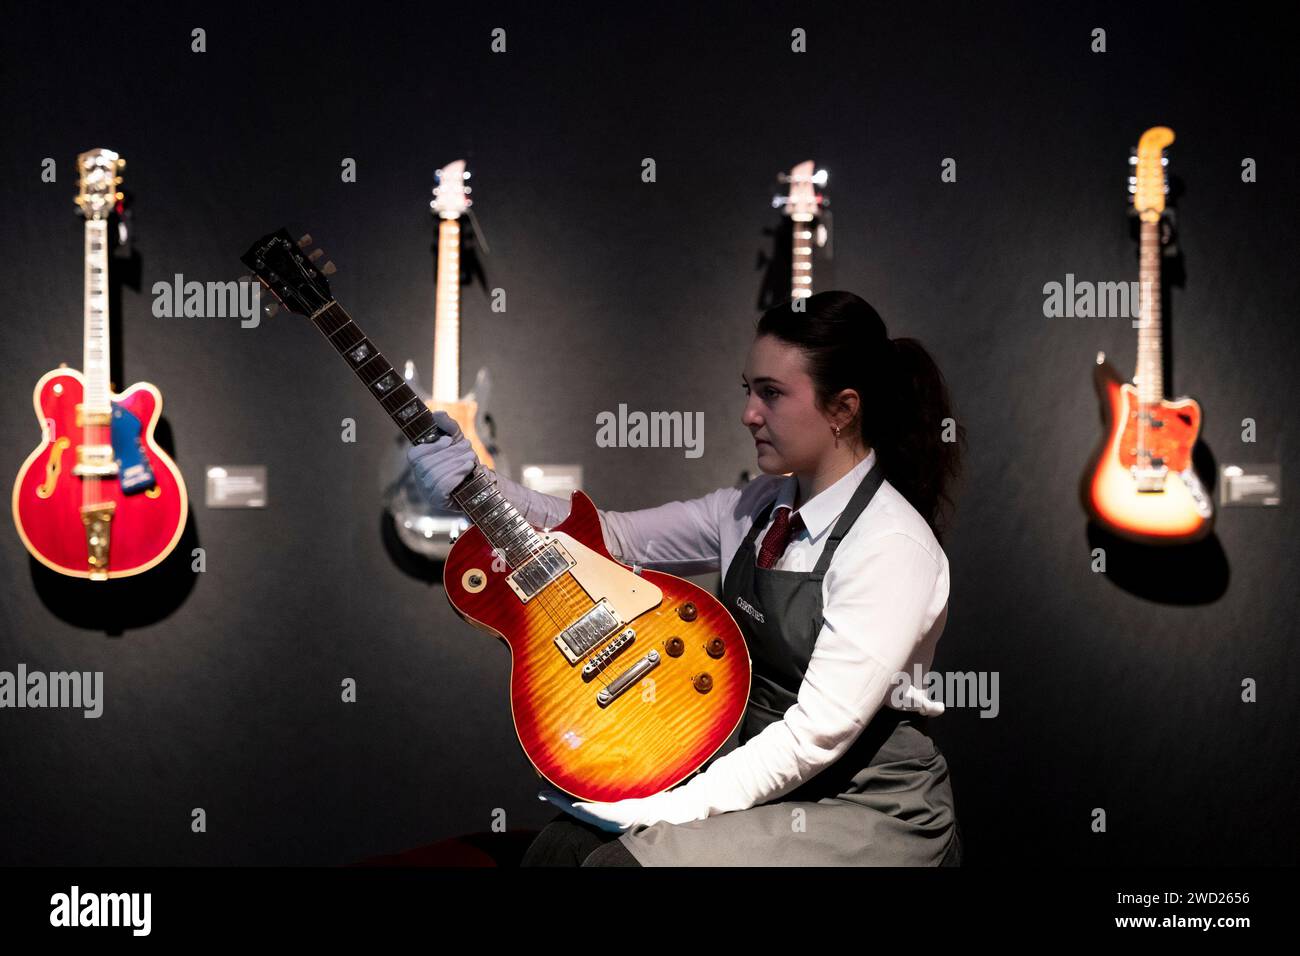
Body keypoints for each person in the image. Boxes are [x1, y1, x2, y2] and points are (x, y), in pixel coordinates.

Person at [407, 290, 965, 866]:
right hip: (762, 777)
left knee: (618, 866)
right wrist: (478, 480)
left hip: (862, 803)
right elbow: (608, 535)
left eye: (771, 394)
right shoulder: (756, 507)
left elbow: (813, 737)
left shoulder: (891, 546)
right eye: (748, 390)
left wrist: (665, 808)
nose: (749, 413)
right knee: (557, 851)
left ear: (843, 409)